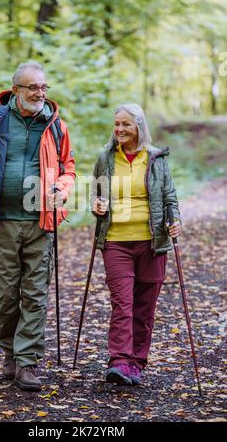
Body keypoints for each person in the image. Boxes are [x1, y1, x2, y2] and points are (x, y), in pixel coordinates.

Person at [0, 61, 75, 391]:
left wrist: (63, 187)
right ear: (16, 90)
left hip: (41, 222)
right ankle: (10, 354)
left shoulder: (56, 125)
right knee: (5, 294)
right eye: (32, 87)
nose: (39, 93)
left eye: (43, 87)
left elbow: (68, 166)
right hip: (3, 221)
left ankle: (27, 362)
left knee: (35, 293)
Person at [91, 103, 181, 386]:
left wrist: (174, 219)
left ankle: (136, 363)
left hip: (152, 241)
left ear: (139, 127)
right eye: (117, 124)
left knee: (145, 306)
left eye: (126, 124)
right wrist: (96, 206)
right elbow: (96, 195)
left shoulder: (156, 159)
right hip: (116, 239)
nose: (119, 129)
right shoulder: (105, 158)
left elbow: (169, 198)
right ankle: (119, 361)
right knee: (122, 303)